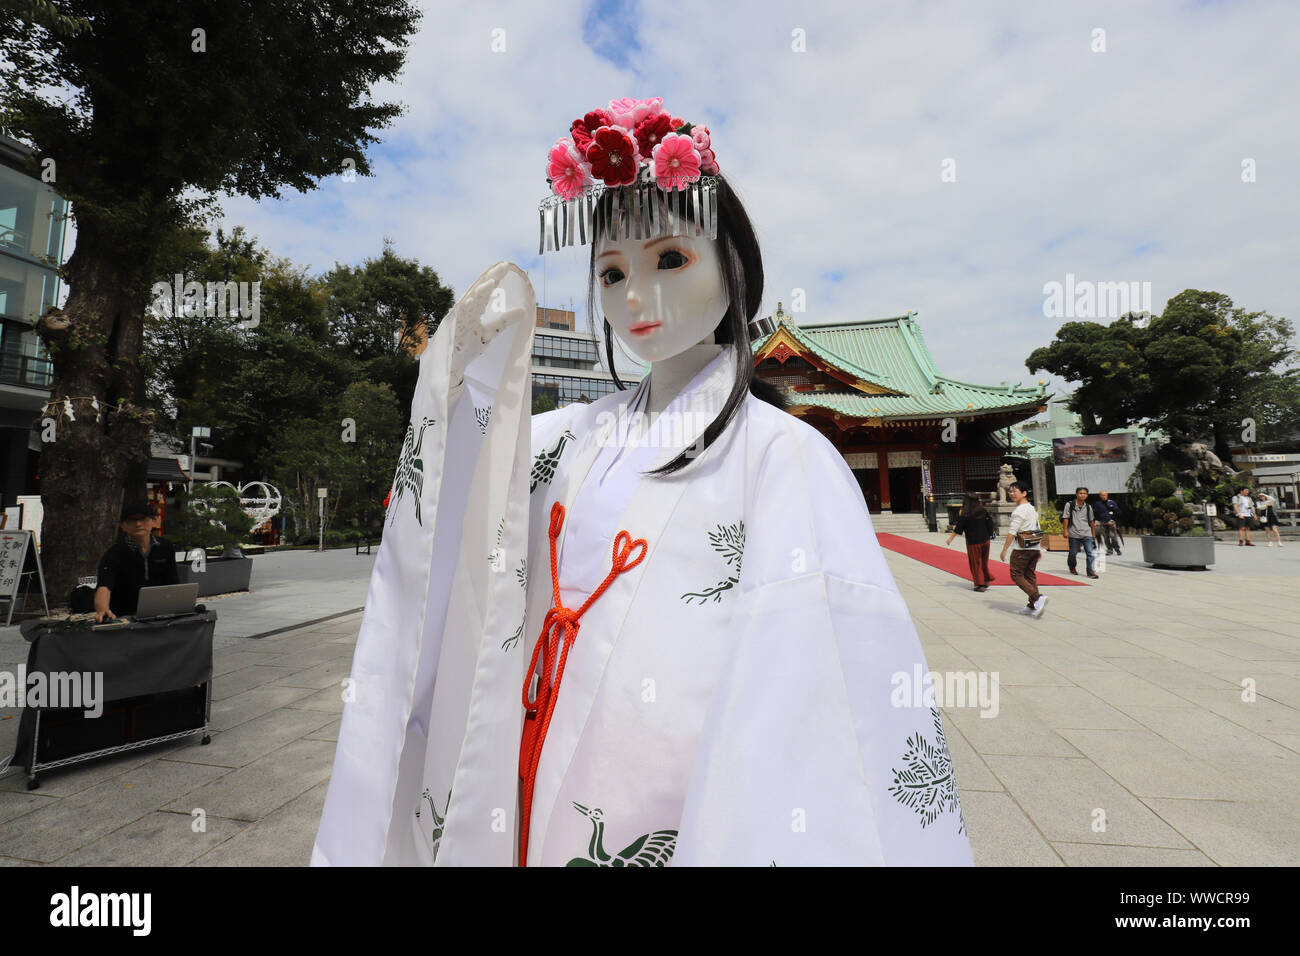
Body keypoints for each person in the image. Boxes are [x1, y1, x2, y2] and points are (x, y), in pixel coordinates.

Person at [313, 97, 972, 867]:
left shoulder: (785, 456)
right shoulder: (566, 435)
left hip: (668, 781)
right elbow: (455, 522)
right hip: (519, 752)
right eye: (612, 271)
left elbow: (813, 679)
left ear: (735, 268)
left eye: (671, 259)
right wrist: (461, 383)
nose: (637, 296)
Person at [94, 500, 180, 622]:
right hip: (125, 616)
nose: (138, 524)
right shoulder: (114, 553)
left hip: (161, 613)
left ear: (154, 521)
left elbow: (173, 581)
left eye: (143, 519)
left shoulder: (166, 547)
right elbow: (104, 586)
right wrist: (103, 610)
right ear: (123, 526)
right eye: (132, 520)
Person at [999, 482, 1046, 617]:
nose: (1011, 494)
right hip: (1033, 546)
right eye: (1010, 491)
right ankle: (1032, 605)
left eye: (1015, 491)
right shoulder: (1031, 508)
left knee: (1016, 574)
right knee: (1029, 575)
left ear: (1024, 493)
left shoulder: (1019, 510)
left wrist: (1004, 549)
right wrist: (1039, 548)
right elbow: (1036, 527)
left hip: (1022, 548)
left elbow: (1012, 531)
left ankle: (1037, 597)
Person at [945, 493, 995, 591]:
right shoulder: (983, 511)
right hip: (985, 540)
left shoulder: (966, 513)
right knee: (984, 562)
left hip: (973, 541)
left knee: (976, 562)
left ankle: (979, 583)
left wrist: (950, 538)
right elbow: (990, 523)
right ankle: (986, 580)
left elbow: (959, 527)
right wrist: (990, 534)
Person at [1062, 486, 1099, 579]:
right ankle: (1072, 566)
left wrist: (1093, 533)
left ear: (1087, 495)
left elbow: (1091, 521)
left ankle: (1090, 572)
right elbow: (1065, 518)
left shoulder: (1088, 507)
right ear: (1076, 494)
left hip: (1087, 533)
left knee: (1090, 553)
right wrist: (1065, 531)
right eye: (1080, 493)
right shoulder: (1069, 505)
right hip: (1074, 533)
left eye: (1084, 493)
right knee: (1073, 553)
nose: (1082, 495)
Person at [1093, 489, 1122, 556]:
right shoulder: (1098, 504)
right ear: (1100, 496)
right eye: (1102, 495)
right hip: (1103, 523)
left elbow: (1117, 512)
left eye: (1105, 495)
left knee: (1113, 537)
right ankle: (1109, 550)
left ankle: (1117, 549)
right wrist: (1095, 522)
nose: (1104, 496)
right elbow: (1095, 514)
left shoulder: (1112, 502)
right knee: (1106, 538)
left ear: (1107, 495)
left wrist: (1112, 521)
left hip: (1111, 523)